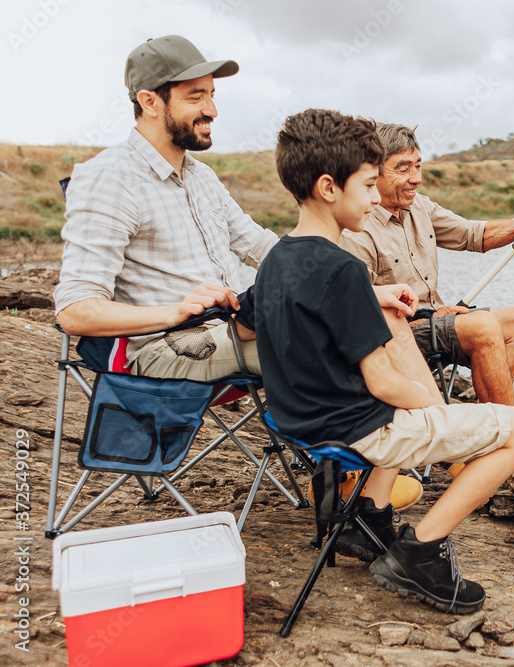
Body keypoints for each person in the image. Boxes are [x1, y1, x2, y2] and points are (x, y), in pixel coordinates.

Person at [53, 35, 426, 507]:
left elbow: (268, 249)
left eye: (212, 95)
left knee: (383, 316)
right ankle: (358, 482)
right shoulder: (109, 179)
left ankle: (402, 458)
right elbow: (75, 311)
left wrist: (362, 290)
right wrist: (174, 311)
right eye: (195, 97)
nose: (211, 109)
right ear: (149, 101)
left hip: (243, 323)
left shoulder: (202, 177)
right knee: (334, 340)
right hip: (172, 345)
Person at [235, 108, 514, 614]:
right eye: (370, 185)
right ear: (330, 188)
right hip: (357, 430)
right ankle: (420, 552)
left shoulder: (278, 260)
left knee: (399, 345)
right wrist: (433, 409)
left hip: (298, 422)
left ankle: (368, 516)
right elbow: (382, 383)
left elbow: (244, 324)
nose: (377, 198)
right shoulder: (343, 271)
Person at [339, 124, 514, 407]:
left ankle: (490, 418)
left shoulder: (420, 206)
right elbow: (359, 309)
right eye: (404, 168)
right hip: (396, 337)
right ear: (374, 172)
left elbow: (475, 235)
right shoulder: (357, 226)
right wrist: (430, 317)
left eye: (418, 166)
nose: (416, 178)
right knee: (482, 326)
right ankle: (507, 429)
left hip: (434, 320)